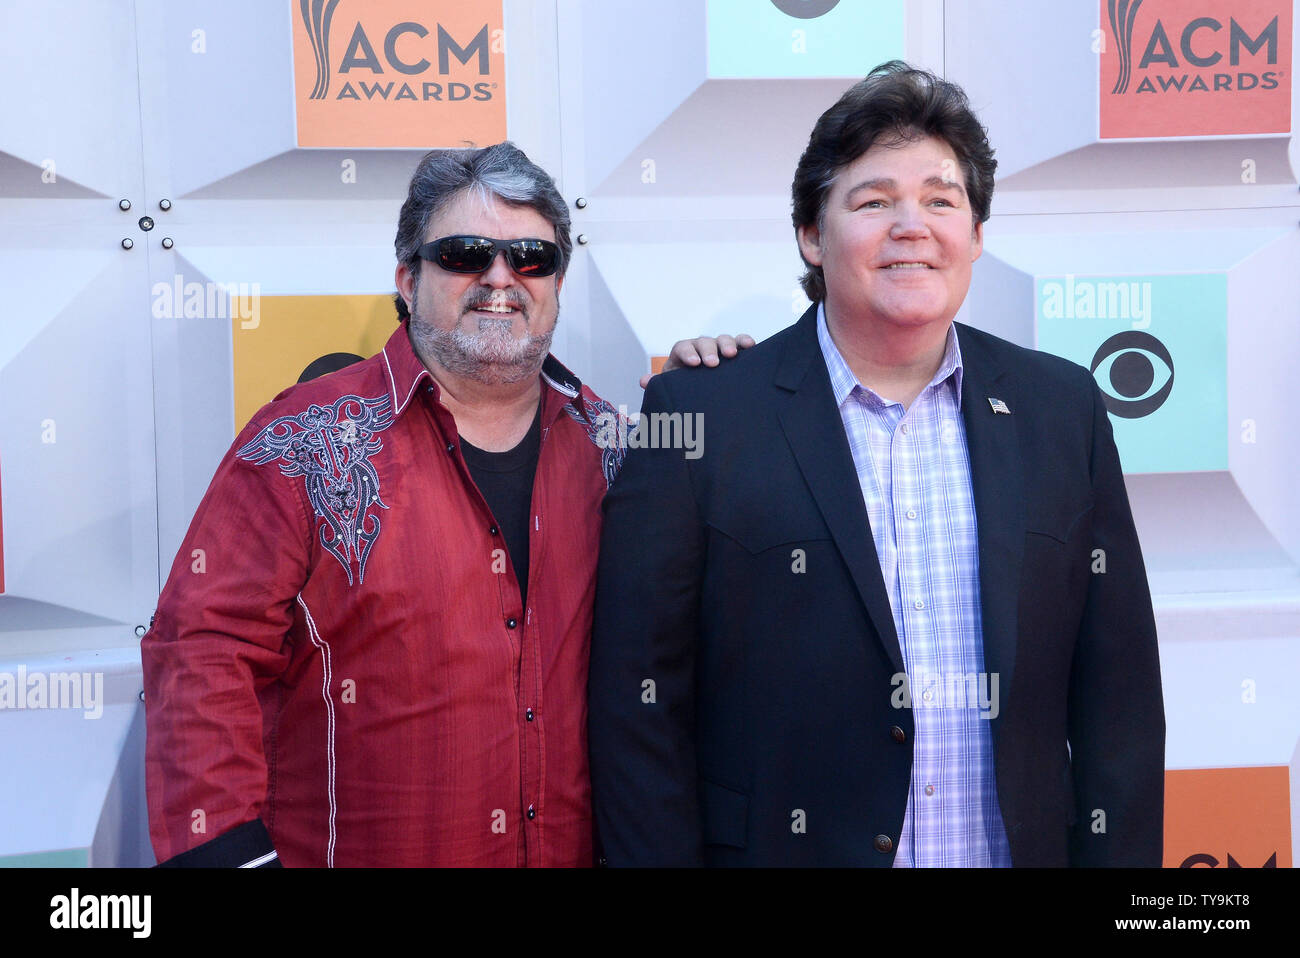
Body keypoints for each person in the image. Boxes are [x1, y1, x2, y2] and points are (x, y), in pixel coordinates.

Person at [587, 61, 1166, 867]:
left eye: (941, 199)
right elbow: (637, 709)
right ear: (811, 235)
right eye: (872, 200)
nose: (912, 225)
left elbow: (1120, 702)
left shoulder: (1060, 411)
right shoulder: (703, 415)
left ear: (976, 235)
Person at [141, 141, 746, 867]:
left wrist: (721, 400)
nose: (500, 278)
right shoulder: (304, 442)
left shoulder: (618, 450)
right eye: (465, 254)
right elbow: (202, 651)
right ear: (406, 276)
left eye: (531, 257)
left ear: (556, 283)